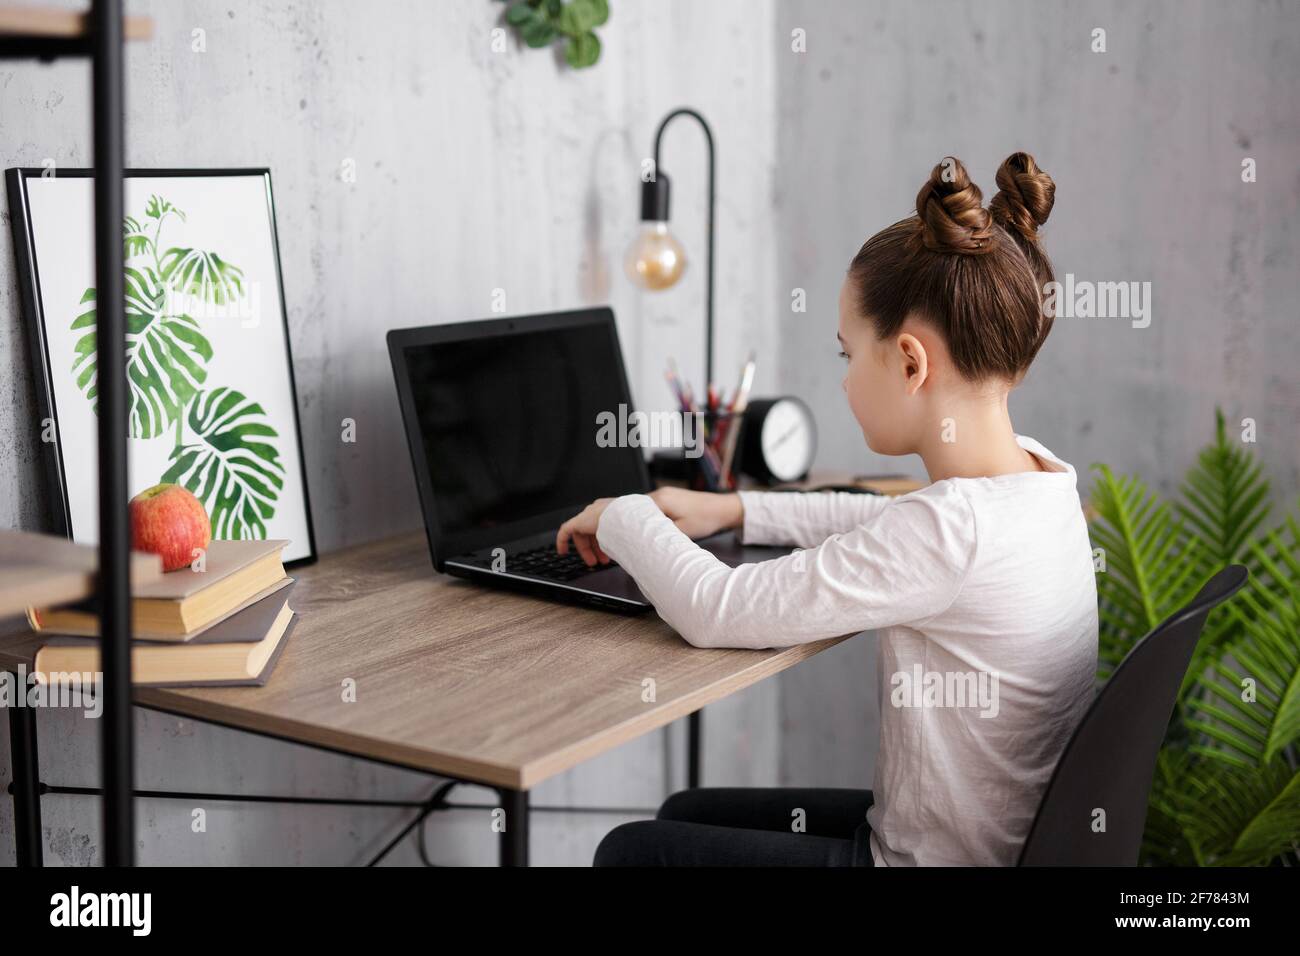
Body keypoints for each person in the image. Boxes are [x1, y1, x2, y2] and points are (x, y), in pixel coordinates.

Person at [560, 153, 1099, 867]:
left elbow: (716, 609)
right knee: (684, 814)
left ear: (911, 363)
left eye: (847, 354)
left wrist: (627, 514)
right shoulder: (1037, 478)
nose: (842, 381)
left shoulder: (948, 530)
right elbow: (881, 525)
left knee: (634, 852)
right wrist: (734, 512)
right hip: (984, 848)